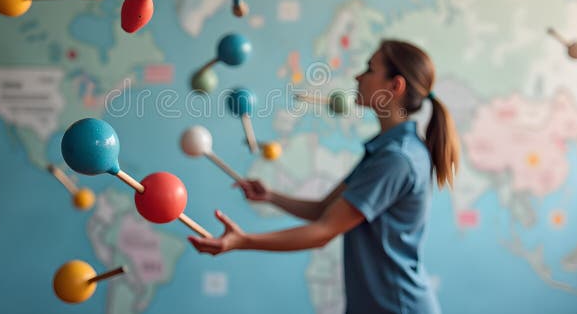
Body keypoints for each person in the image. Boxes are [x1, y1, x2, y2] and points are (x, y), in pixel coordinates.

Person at [188, 39, 461, 314]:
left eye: (369, 69)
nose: (357, 76)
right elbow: (323, 211)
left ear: (395, 86)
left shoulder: (396, 159)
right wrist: (270, 196)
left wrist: (243, 241)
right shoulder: (386, 150)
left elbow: (323, 231)